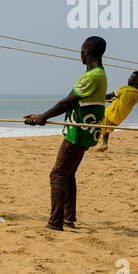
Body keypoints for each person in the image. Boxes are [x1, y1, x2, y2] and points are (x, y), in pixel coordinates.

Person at [23, 36, 108, 231]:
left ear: (87, 51)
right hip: (85, 131)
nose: (80, 54)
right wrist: (41, 116)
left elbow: (67, 101)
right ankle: (69, 218)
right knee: (68, 174)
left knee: (58, 174)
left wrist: (42, 118)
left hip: (77, 133)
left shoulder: (92, 76)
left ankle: (55, 222)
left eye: (82, 50)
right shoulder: (98, 74)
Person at [97, 71, 138, 150]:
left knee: (97, 124)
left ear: (137, 81)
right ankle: (104, 143)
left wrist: (98, 96)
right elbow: (124, 102)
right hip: (119, 118)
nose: (128, 79)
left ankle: (98, 143)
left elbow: (110, 95)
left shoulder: (124, 89)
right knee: (106, 129)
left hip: (110, 113)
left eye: (131, 78)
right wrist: (114, 101)